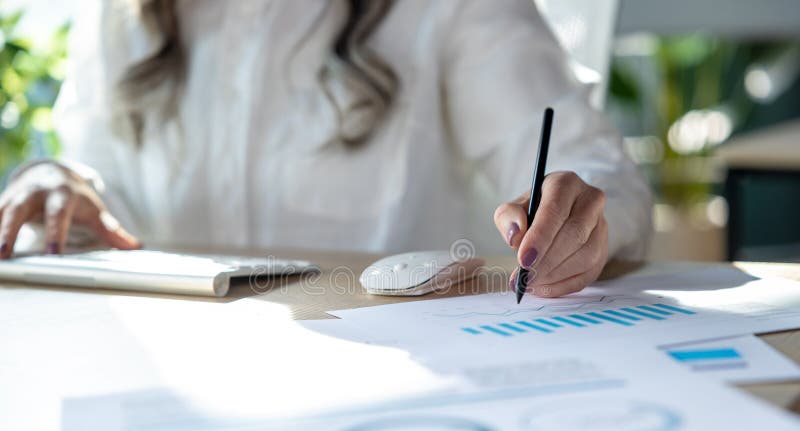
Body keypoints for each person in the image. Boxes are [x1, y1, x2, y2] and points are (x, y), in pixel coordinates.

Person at [0, 0, 651, 297]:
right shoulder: (123, 14)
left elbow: (601, 176)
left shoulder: (451, 11)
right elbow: (107, 186)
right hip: (167, 395)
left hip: (389, 405)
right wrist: (63, 183)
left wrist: (580, 220)